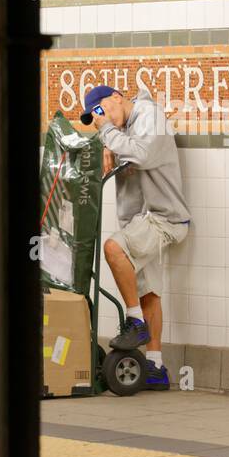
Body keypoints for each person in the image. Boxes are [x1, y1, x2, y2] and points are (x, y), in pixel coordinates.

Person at [81, 84, 192, 390]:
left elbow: (141, 153)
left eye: (101, 110)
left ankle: (135, 323)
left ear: (117, 97)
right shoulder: (125, 129)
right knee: (149, 292)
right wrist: (108, 143)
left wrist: (107, 136)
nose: (99, 118)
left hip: (163, 218)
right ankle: (155, 369)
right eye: (93, 116)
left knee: (114, 248)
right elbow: (127, 145)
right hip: (143, 219)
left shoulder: (149, 116)